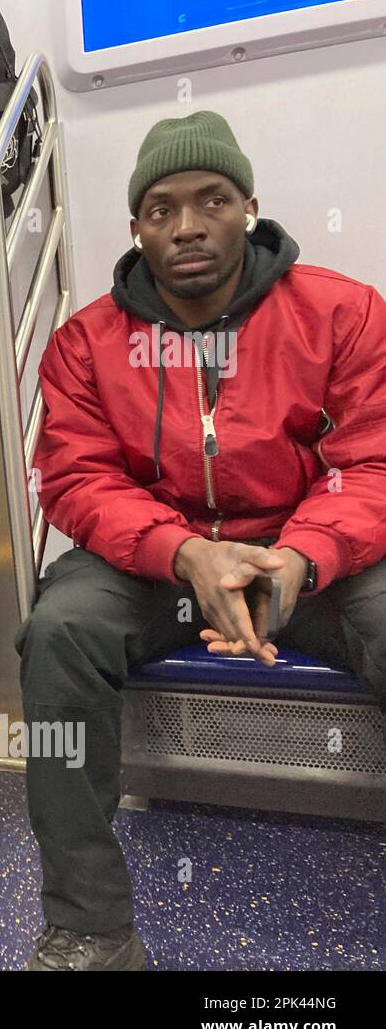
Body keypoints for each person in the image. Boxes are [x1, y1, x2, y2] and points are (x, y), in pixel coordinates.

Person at [19, 111, 386, 969]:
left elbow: (372, 464)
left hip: (305, 558)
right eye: (161, 208)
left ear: (249, 207)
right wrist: (185, 552)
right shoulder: (86, 343)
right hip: (159, 559)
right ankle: (91, 926)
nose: (187, 225)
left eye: (212, 200)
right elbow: (76, 479)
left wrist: (297, 556)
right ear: (138, 227)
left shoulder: (342, 312)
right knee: (57, 632)